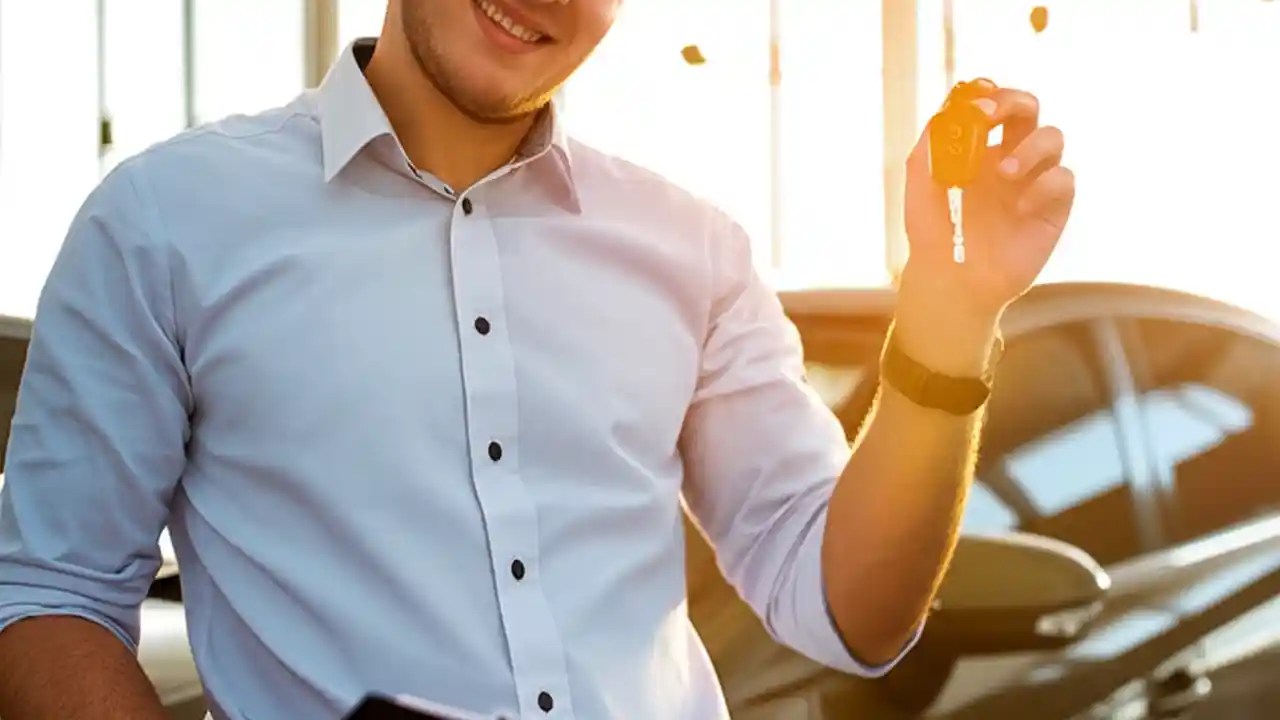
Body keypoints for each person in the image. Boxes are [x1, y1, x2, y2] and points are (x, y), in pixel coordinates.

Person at [0, 0, 1074, 718]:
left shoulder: (690, 248)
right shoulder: (165, 222)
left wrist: (950, 308)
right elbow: (47, 596)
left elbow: (850, 610)